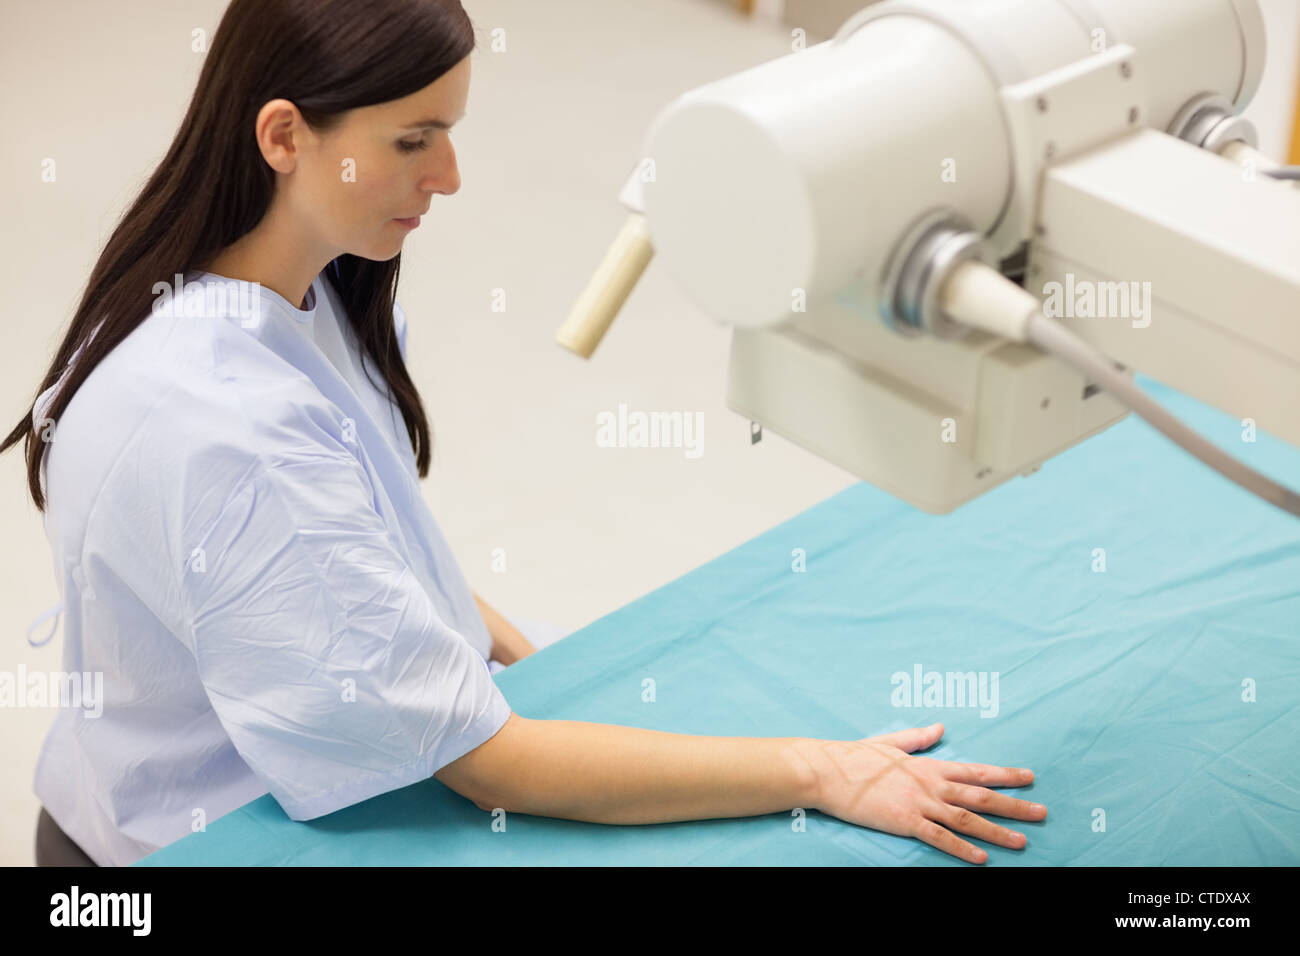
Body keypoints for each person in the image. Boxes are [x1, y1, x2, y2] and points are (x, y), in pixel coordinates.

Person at [4, 0, 1045, 867]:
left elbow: (375, 550)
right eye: (412, 139)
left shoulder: (232, 295)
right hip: (167, 854)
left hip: (121, 784)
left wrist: (543, 664)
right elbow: (488, 763)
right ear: (283, 136)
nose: (449, 175)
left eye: (450, 131)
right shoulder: (236, 431)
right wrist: (822, 769)